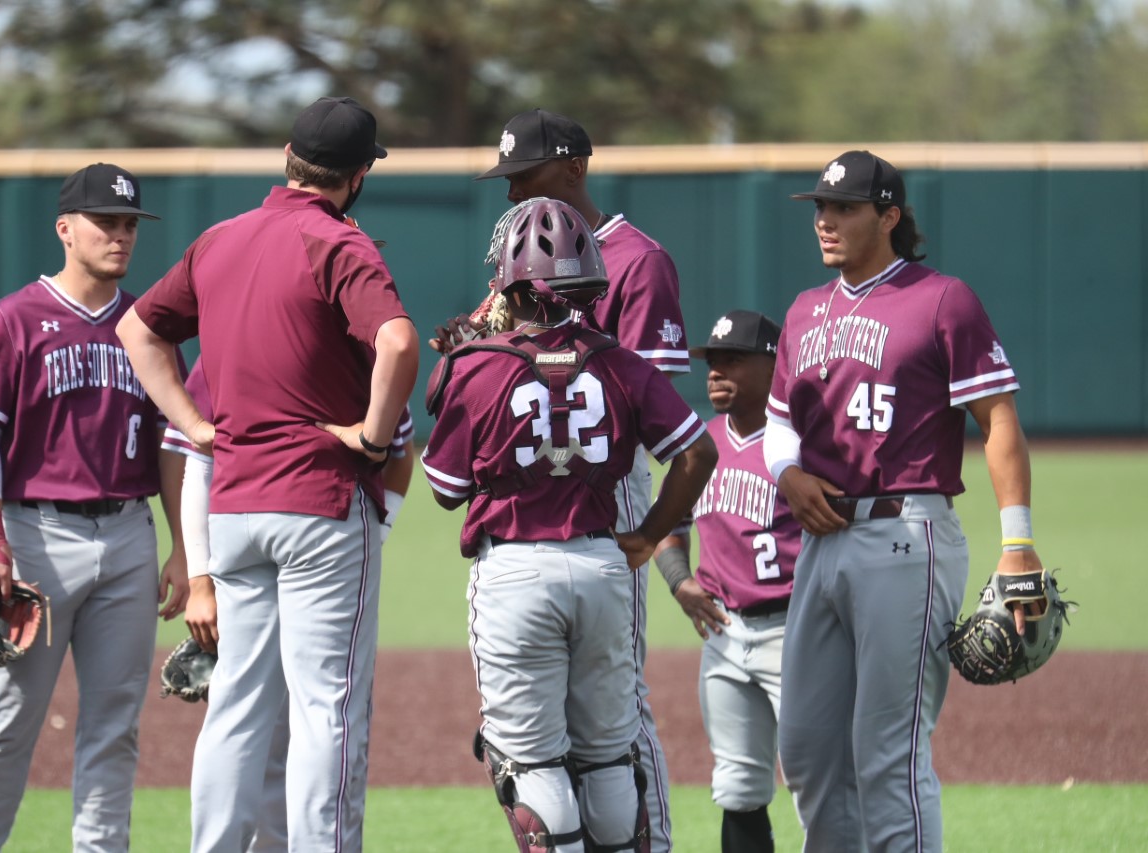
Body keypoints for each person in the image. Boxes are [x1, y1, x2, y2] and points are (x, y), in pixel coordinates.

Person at [116, 95, 419, 853]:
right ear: (356, 177)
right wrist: (376, 442)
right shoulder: (339, 242)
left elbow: (136, 328)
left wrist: (191, 422)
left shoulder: (220, 239)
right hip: (319, 500)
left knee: (237, 706)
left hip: (235, 504)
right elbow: (399, 342)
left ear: (287, 154)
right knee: (328, 706)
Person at [764, 150, 1045, 851]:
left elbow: (998, 418)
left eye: (844, 208)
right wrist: (788, 474)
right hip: (821, 541)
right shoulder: (804, 310)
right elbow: (776, 423)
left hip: (906, 536)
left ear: (889, 216)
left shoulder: (942, 299)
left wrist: (1018, 541)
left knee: (887, 752)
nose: (825, 221)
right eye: (821, 208)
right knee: (805, 750)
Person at [423, 197, 717, 853]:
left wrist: (455, 374)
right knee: (611, 756)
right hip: (604, 565)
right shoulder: (618, 359)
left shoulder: (480, 365)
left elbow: (444, 489)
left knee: (532, 765)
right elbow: (698, 452)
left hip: (516, 570)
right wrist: (651, 532)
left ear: (511, 277)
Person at [0, 162, 188, 852]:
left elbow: (174, 444)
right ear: (65, 228)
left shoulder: (147, 329)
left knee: (115, 725)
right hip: (36, 537)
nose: (120, 234)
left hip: (131, 538)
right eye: (106, 221)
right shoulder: (13, 319)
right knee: (8, 722)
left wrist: (182, 548)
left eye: (130, 223)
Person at [473, 108, 690, 851]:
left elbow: (650, 411)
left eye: (522, 177)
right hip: (538, 506)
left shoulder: (637, 259)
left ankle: (650, 840)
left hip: (612, 493)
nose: (510, 196)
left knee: (619, 711)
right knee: (551, 724)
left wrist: (659, 535)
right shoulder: (522, 249)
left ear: (573, 169)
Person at [161, 361, 416, 853]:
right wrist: (198, 578)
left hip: (264, 536)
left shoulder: (355, 341)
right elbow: (194, 457)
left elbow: (400, 455)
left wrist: (376, 536)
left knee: (251, 716)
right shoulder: (362, 336)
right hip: (296, 536)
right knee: (318, 714)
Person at [653, 310, 801, 853]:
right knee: (737, 787)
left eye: (732, 361)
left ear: (773, 365)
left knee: (817, 784)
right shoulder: (702, 444)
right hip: (724, 636)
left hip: (796, 631)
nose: (715, 374)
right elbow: (667, 525)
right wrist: (679, 581)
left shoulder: (800, 443)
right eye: (712, 363)